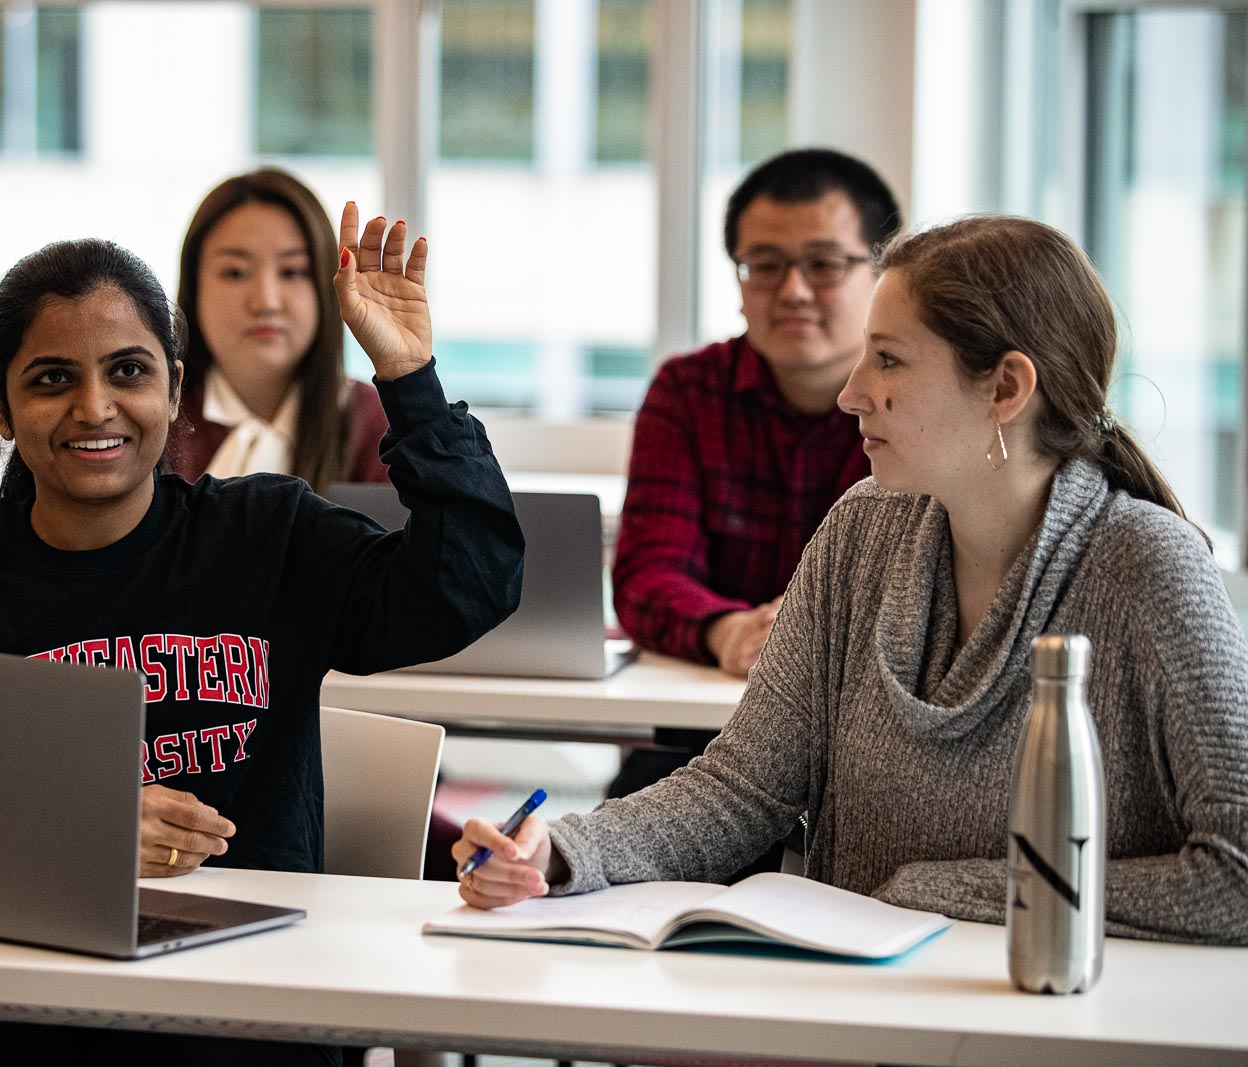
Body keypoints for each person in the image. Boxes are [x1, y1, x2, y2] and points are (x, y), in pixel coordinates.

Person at [454, 215, 1248, 947]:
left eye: (890, 359)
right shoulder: (862, 527)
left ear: (1006, 388)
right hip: (859, 1010)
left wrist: (939, 892)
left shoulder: (1150, 566)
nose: (850, 391)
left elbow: (1237, 873)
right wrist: (560, 849)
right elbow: (743, 786)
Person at [0, 206, 523, 1066]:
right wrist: (80, 823)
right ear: (2, 406)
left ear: (173, 388)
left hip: (246, 999)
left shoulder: (266, 535)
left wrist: (409, 378)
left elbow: (473, 583)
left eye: (127, 370)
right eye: (52, 379)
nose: (94, 406)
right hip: (22, 986)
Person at [608, 147, 901, 804]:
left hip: (873, 754)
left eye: (824, 264)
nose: (793, 290)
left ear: (884, 270)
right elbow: (646, 573)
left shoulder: (918, 401)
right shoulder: (688, 392)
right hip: (704, 745)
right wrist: (729, 631)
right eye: (764, 266)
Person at [164, 167, 390, 493]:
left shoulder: (374, 425)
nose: (266, 302)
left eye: (292, 271)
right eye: (236, 273)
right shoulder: (158, 420)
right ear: (194, 285)